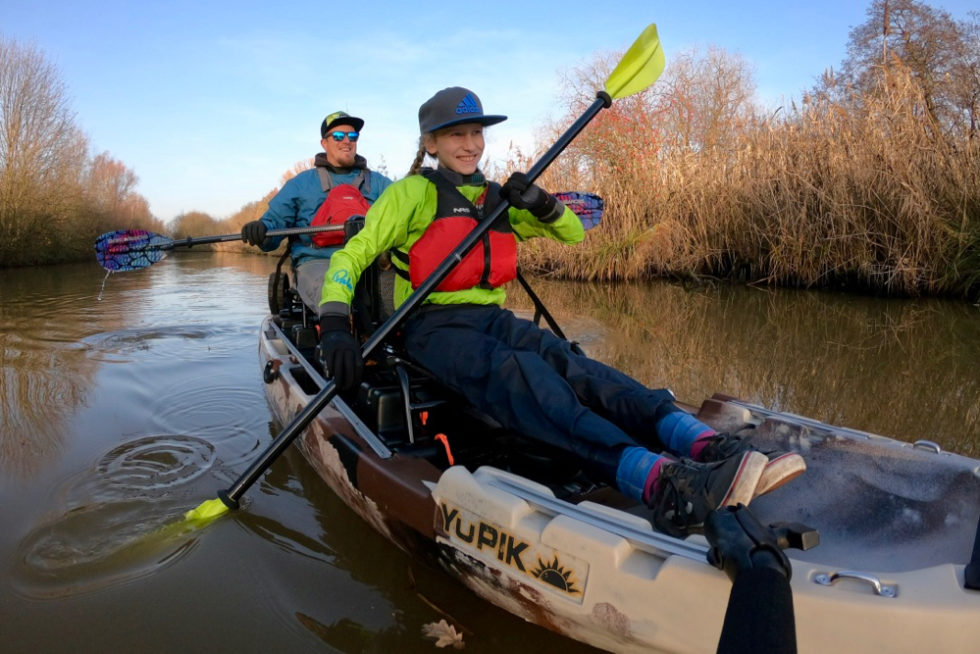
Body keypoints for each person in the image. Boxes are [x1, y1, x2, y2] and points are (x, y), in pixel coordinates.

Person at [316, 87, 806, 535]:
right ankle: (659, 483)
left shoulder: (497, 199)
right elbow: (352, 256)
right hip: (431, 327)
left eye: (476, 133)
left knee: (573, 364)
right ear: (431, 143)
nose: (470, 145)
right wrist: (335, 323)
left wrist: (539, 202)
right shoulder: (410, 194)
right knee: (520, 374)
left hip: (491, 318)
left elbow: (572, 232)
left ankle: (701, 443)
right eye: (456, 135)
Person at [240, 110, 393, 311]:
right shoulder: (301, 183)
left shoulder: (380, 184)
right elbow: (274, 225)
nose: (347, 141)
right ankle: (336, 326)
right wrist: (261, 229)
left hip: (370, 263)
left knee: (401, 295)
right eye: (338, 136)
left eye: (352, 136)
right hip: (319, 262)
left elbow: (406, 210)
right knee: (334, 294)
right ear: (324, 143)